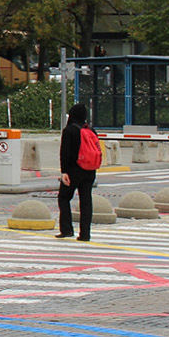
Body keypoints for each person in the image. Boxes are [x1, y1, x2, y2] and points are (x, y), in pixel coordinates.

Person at [57, 102, 98, 243]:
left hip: (74, 171)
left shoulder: (69, 130)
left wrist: (64, 172)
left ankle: (66, 229)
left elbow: (65, 153)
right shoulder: (91, 130)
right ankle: (85, 234)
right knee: (86, 201)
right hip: (90, 171)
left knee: (64, 198)